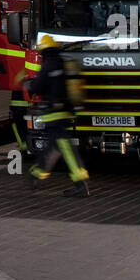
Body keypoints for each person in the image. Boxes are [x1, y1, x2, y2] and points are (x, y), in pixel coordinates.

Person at [24, 34, 90, 198]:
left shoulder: (47, 67)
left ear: (44, 52)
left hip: (53, 115)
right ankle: (37, 173)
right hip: (65, 111)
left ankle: (80, 184)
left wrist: (26, 84)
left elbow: (37, 88)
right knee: (56, 146)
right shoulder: (63, 63)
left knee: (64, 148)